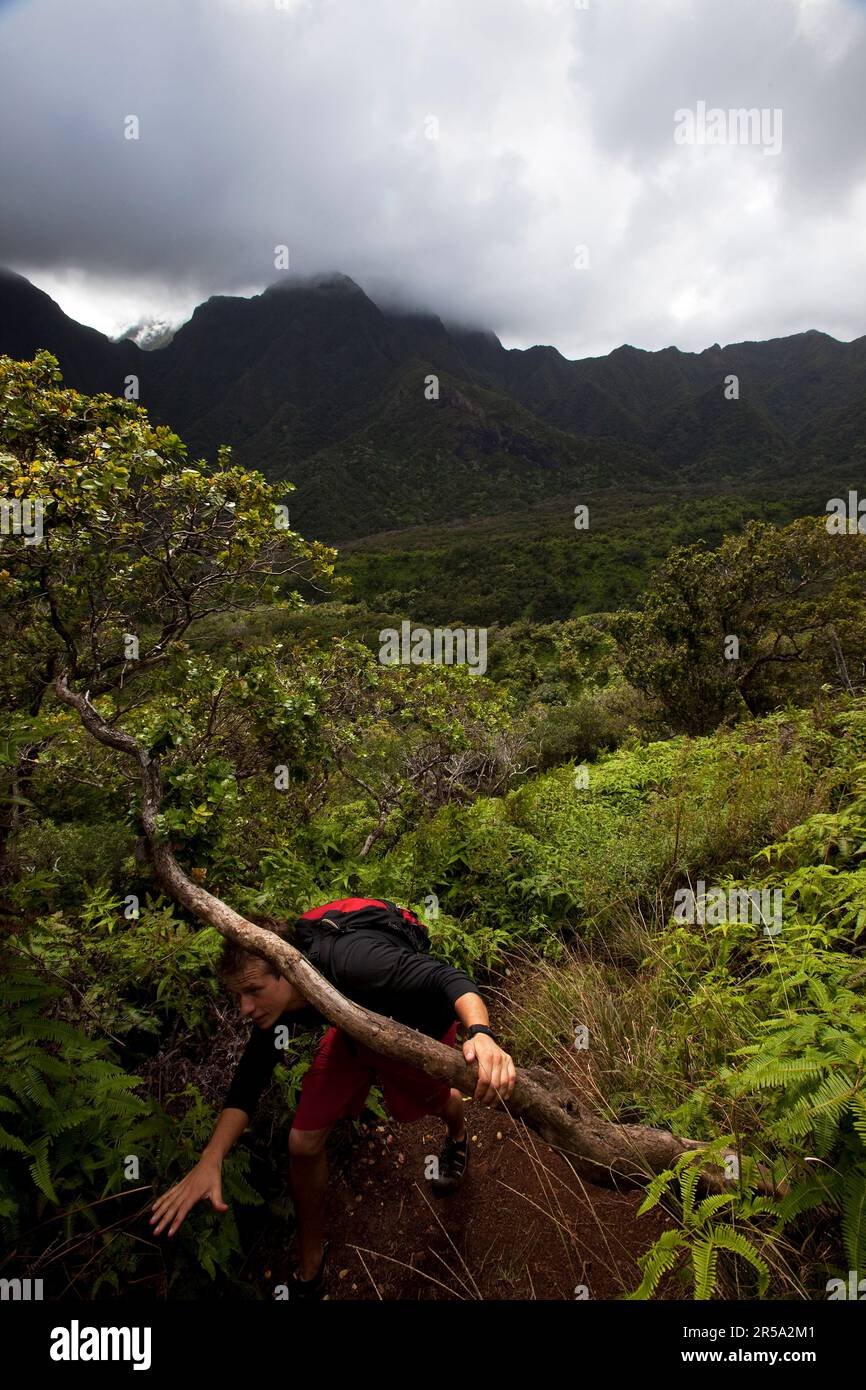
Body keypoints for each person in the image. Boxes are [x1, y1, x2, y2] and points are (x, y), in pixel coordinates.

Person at [149, 898, 517, 1299]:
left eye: (253, 991)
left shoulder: (359, 962)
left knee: (415, 1107)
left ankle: (458, 1132)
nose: (244, 1009)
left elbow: (449, 979)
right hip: (351, 1032)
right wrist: (211, 1157)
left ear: (287, 972)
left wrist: (481, 1034)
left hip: (414, 1033)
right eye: (239, 995)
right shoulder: (278, 1009)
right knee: (302, 1143)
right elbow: (250, 1079)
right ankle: (312, 1260)